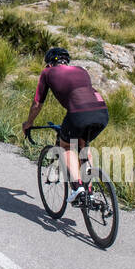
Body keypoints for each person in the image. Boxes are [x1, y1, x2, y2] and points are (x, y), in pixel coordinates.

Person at [23, 46, 109, 205]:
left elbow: (37, 104)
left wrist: (29, 123)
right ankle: (89, 191)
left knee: (66, 146)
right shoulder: (81, 70)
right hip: (102, 112)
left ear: (49, 63)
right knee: (83, 146)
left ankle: (78, 189)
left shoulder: (47, 73)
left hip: (78, 113)